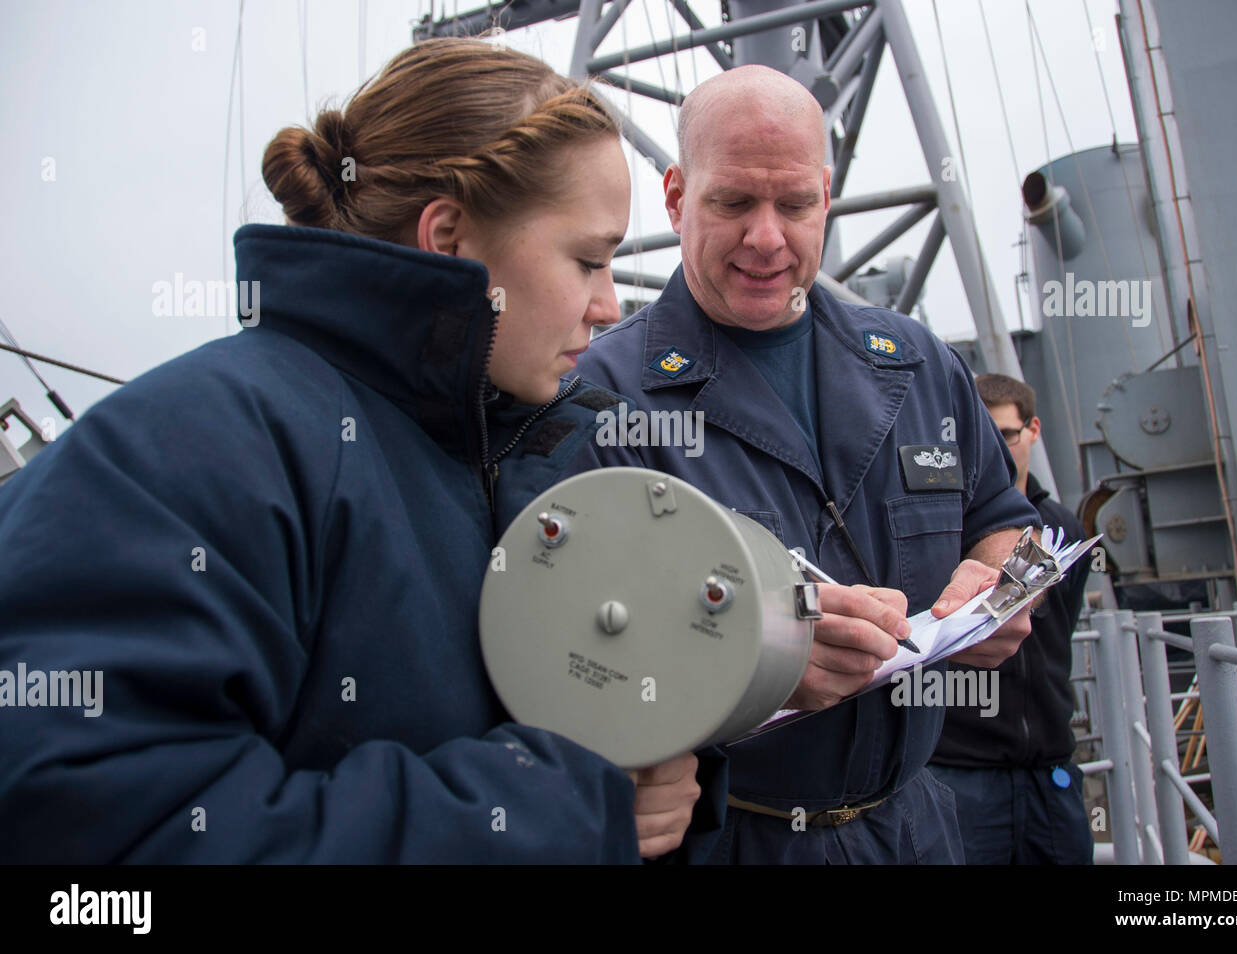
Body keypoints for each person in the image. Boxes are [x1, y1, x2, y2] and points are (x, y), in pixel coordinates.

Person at [0, 38, 704, 863]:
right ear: (449, 239)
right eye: (588, 259)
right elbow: (101, 840)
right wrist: (553, 808)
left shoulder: (540, 440)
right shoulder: (189, 449)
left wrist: (722, 697)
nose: (607, 304)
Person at [547, 65, 1043, 865]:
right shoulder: (596, 398)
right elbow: (568, 652)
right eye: (734, 202)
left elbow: (1004, 521)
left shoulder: (916, 361)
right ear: (676, 199)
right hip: (734, 838)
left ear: (826, 194)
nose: (767, 238)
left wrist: (1001, 585)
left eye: (795, 204)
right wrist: (752, 668)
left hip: (914, 828)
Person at [928, 374, 1094, 864]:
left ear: (1034, 430)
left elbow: (1060, 630)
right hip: (959, 769)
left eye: (1008, 434)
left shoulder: (1063, 526)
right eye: (985, 434)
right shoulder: (941, 530)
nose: (997, 448)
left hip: (1050, 766)